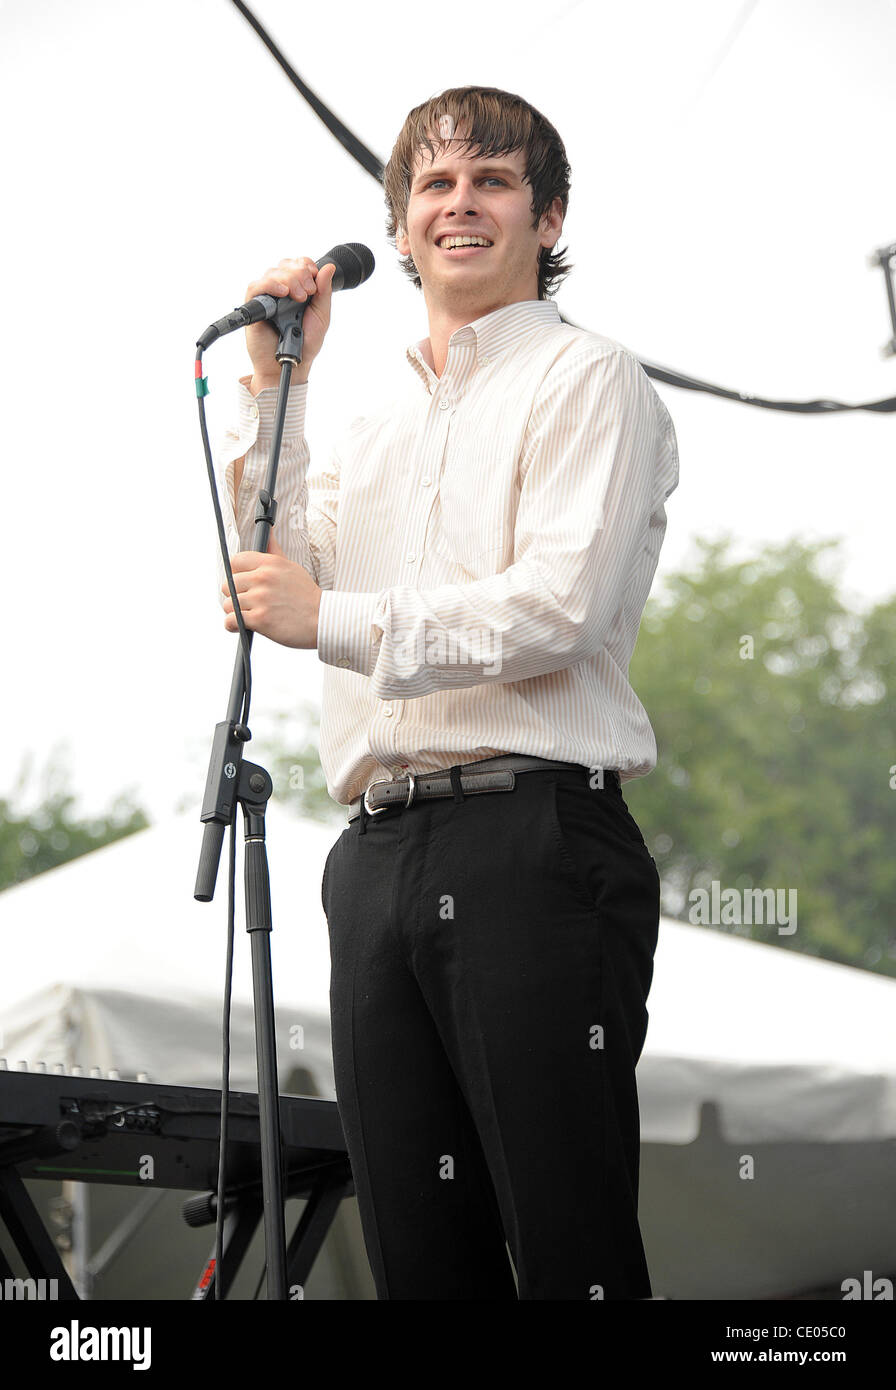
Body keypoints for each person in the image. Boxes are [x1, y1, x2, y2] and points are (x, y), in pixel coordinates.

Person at [216, 86, 679, 1300]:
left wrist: (329, 619)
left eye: (490, 180)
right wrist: (281, 388)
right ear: (401, 223)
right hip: (374, 851)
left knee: (565, 1241)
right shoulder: (364, 417)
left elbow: (558, 606)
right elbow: (280, 572)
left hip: (531, 833)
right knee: (421, 1260)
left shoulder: (590, 378)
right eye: (432, 183)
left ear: (548, 215)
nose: (457, 202)